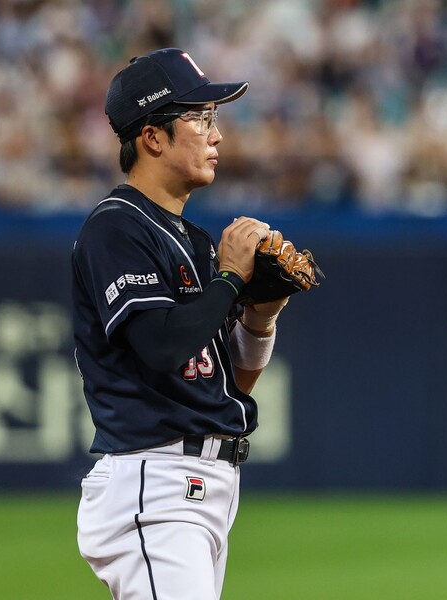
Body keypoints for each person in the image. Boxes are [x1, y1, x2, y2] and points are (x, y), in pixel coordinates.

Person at [72, 48, 288, 600]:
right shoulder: (116, 228)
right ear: (152, 137)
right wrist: (232, 279)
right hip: (157, 485)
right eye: (200, 118)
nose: (215, 136)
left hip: (204, 487)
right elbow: (161, 344)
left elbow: (227, 381)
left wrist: (260, 319)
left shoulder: (193, 241)